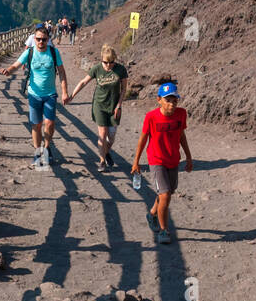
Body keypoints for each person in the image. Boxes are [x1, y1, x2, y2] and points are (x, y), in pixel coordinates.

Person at [131, 82, 192, 245]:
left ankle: (152, 214)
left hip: (173, 159)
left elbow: (182, 136)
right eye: (168, 100)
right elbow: (142, 140)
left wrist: (188, 157)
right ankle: (164, 230)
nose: (171, 104)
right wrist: (136, 162)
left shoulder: (181, 114)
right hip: (156, 160)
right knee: (164, 195)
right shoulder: (151, 117)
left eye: (174, 100)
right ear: (159, 99)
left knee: (166, 194)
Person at [1, 26, 69, 168]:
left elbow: (62, 73)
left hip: (50, 94)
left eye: (44, 39)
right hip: (34, 94)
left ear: (48, 39)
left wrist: (64, 92)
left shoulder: (54, 52)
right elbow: (16, 65)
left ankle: (47, 146)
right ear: (34, 39)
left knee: (50, 123)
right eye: (38, 39)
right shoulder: (29, 52)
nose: (40, 42)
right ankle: (38, 153)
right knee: (36, 125)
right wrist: (8, 71)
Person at [69, 46, 128, 169]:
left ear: (114, 60)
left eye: (111, 62)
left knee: (111, 137)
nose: (108, 65)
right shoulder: (97, 69)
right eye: (105, 62)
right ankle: (102, 161)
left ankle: (106, 152)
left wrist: (119, 105)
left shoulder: (121, 70)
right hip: (99, 105)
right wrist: (72, 96)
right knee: (102, 133)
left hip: (114, 107)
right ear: (101, 60)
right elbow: (83, 82)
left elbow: (124, 90)